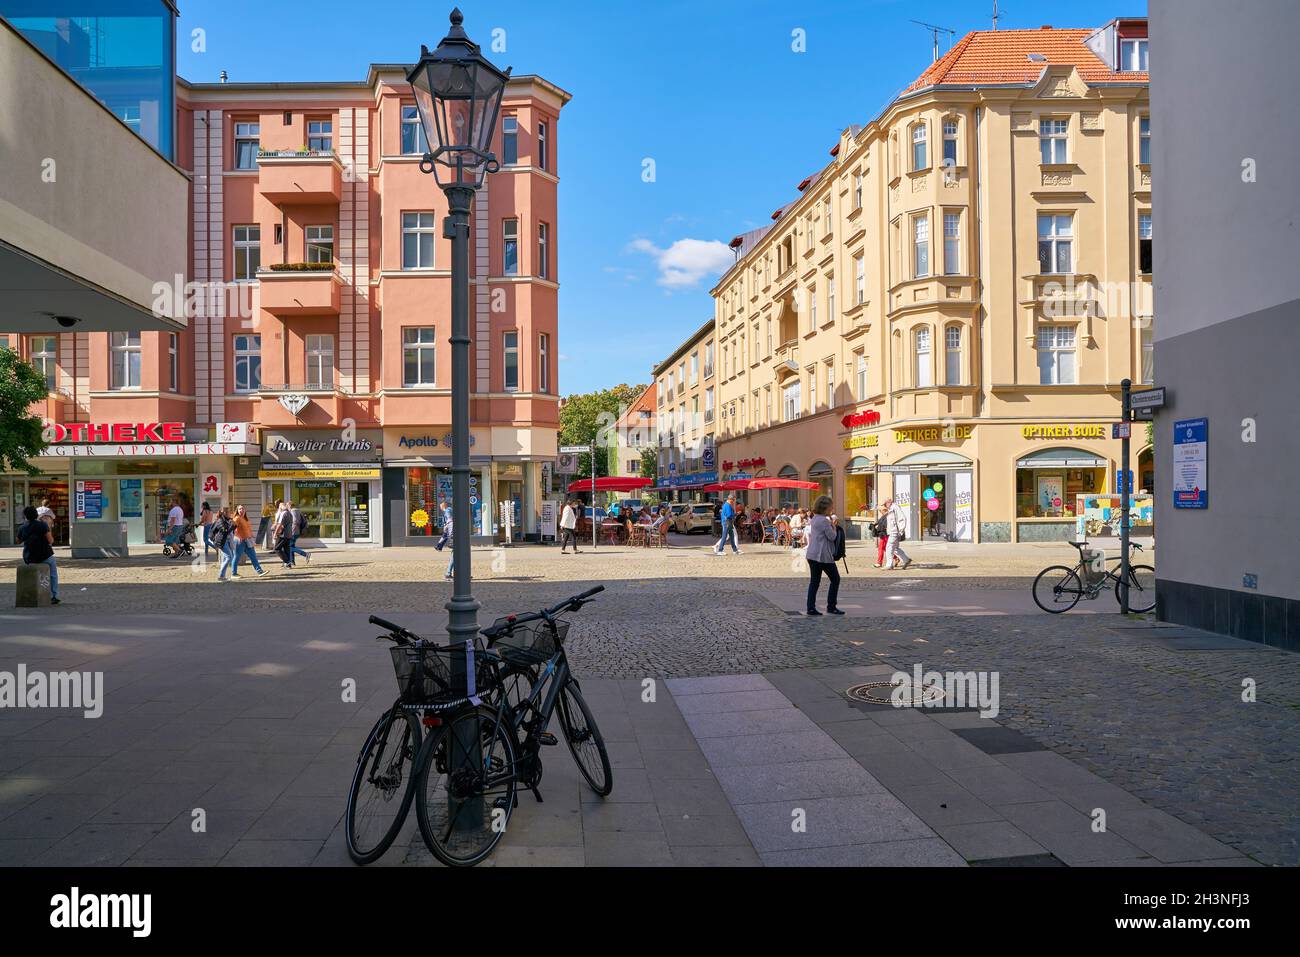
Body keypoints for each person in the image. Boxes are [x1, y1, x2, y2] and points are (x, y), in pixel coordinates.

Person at [804, 495, 842, 616]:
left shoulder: (814, 518)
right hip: (822, 555)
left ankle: (810, 607)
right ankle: (831, 606)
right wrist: (833, 526)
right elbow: (832, 537)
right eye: (831, 506)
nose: (832, 508)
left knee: (814, 582)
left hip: (812, 554)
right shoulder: (825, 521)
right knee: (835, 579)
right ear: (826, 507)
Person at [17, 505, 59, 605]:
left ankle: (29, 593)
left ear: (25, 516)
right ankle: (54, 595)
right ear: (36, 515)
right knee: (53, 574)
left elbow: (18, 541)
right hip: (45, 555)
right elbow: (50, 540)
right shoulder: (42, 525)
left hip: (29, 557)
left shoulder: (22, 527)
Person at [231, 505, 269, 578]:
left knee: (253, 556)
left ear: (245, 510)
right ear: (237, 511)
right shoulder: (237, 518)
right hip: (240, 541)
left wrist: (252, 538)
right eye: (239, 509)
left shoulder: (245, 519)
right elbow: (233, 529)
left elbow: (248, 529)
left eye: (242, 509)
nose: (241, 510)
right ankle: (233, 573)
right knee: (236, 557)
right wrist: (237, 537)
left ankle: (260, 571)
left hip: (248, 540)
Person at [884, 498, 912, 570]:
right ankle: (906, 560)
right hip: (893, 531)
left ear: (889, 502)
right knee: (895, 548)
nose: (885, 506)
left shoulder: (895, 508)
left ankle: (889, 565)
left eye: (885, 504)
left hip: (895, 532)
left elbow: (902, 518)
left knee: (889, 547)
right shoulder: (891, 509)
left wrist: (901, 530)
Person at [211, 506, 238, 582]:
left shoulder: (227, 519)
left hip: (226, 540)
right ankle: (221, 576)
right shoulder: (220, 521)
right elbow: (225, 531)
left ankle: (222, 575)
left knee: (226, 558)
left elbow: (231, 529)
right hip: (222, 541)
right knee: (229, 557)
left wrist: (234, 525)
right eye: (229, 512)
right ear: (225, 513)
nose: (231, 514)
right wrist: (232, 526)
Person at [286, 499, 311, 566]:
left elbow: (295, 521)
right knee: (291, 546)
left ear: (290, 506)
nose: (287, 508)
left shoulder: (293, 511)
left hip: (293, 531)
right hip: (296, 531)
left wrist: (290, 530)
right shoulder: (298, 511)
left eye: (287, 506)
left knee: (289, 547)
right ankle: (292, 561)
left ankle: (305, 554)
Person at [271, 500, 294, 567]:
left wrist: (275, 533)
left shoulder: (283, 513)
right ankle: (288, 564)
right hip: (289, 534)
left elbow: (280, 524)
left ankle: (287, 562)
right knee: (286, 548)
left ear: (280, 507)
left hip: (283, 534)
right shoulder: (289, 513)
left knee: (277, 548)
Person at [872, 504, 890, 569]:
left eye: (880, 510)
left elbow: (885, 526)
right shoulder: (883, 516)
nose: (880, 511)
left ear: (884, 510)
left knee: (884, 548)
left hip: (885, 535)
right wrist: (874, 525)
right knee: (884, 548)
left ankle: (879, 563)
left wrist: (878, 527)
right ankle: (896, 558)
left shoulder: (887, 516)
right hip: (882, 535)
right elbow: (879, 523)